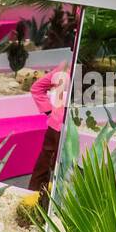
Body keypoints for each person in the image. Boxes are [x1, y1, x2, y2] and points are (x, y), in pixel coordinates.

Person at [27, 66, 70, 196]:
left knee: (45, 164)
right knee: (60, 167)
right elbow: (36, 88)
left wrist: (50, 112)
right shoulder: (69, 70)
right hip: (63, 127)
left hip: (56, 125)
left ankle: (33, 197)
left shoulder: (64, 68)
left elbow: (36, 88)